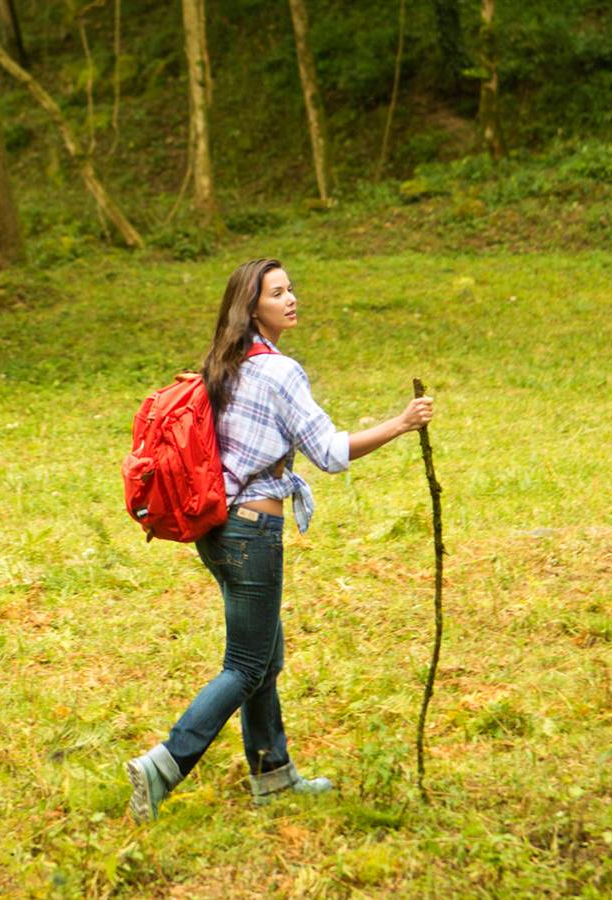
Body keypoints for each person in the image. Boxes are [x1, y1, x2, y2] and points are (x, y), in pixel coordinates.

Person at [126, 258, 433, 822]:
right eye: (277, 292)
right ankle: (164, 764)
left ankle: (273, 774)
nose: (291, 298)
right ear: (253, 307)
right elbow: (331, 454)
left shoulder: (225, 364)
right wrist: (400, 423)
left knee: (265, 655)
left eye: (291, 289)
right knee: (245, 664)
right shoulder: (280, 372)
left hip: (216, 531)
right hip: (252, 534)